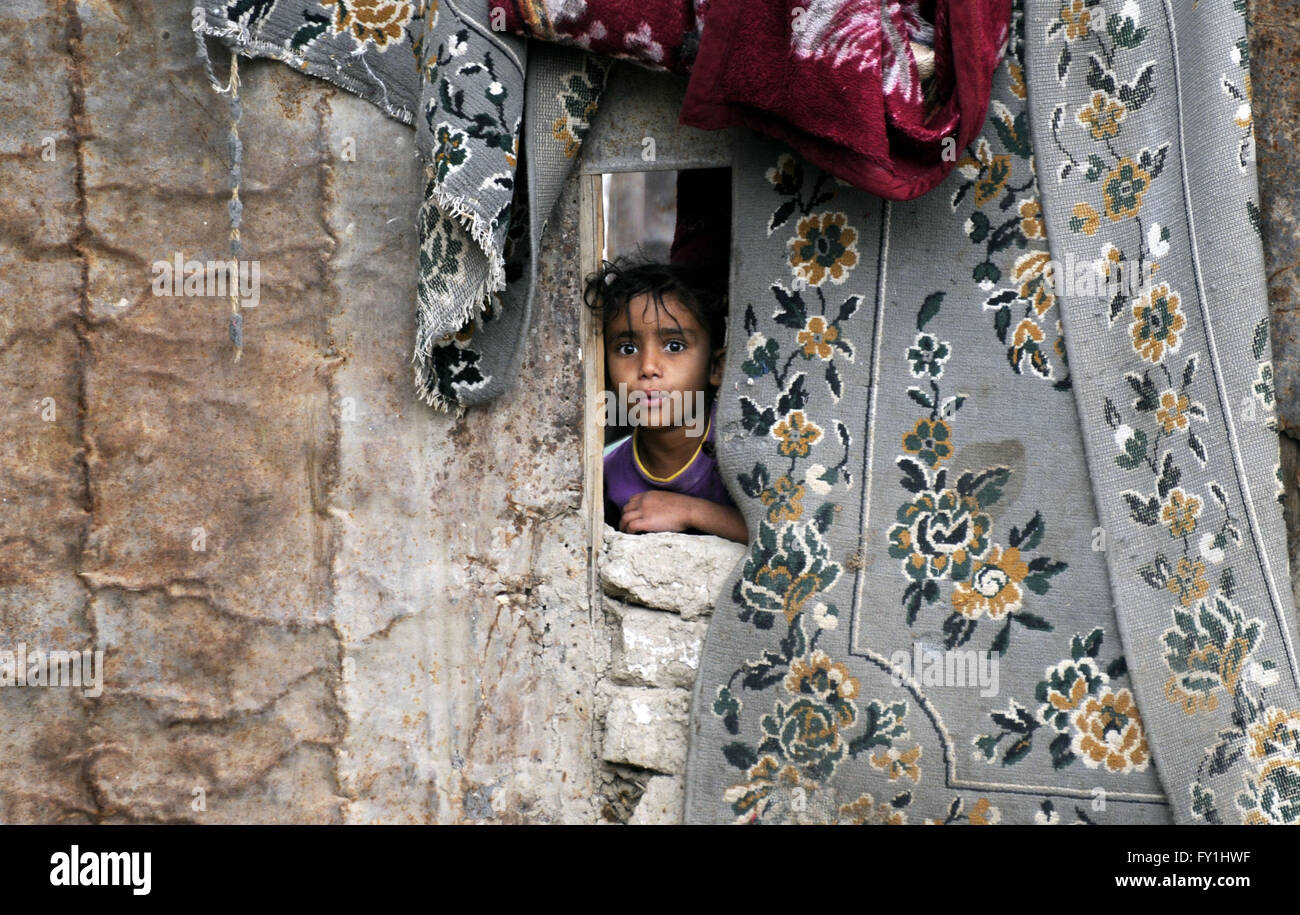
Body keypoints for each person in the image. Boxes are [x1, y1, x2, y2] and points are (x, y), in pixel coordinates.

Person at [584, 259, 748, 545]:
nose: (648, 366)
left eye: (674, 346)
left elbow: (782, 538)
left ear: (717, 367)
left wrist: (690, 511)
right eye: (627, 348)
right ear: (605, 373)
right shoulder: (604, 475)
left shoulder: (746, 448)